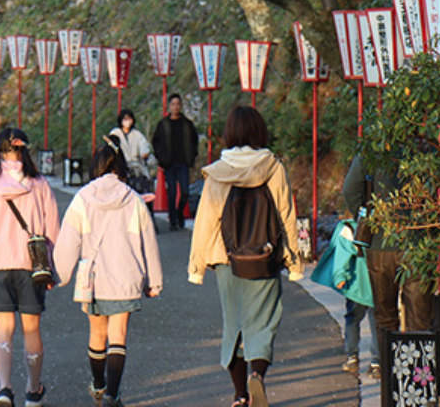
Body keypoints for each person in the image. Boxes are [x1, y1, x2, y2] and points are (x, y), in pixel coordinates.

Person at [187, 105, 301, 407]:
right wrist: (295, 260)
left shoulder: (218, 172)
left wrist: (197, 266)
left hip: (226, 260)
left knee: (233, 323)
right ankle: (258, 377)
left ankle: (239, 395)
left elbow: (206, 220)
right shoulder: (273, 167)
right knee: (263, 322)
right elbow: (286, 213)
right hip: (264, 257)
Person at [54, 141, 163, 407]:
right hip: (126, 276)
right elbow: (149, 241)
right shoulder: (133, 199)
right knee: (119, 335)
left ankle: (99, 385)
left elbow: (68, 241)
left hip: (93, 279)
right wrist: (154, 280)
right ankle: (114, 393)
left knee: (97, 333)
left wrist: (60, 274)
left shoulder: (82, 198)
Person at [0, 128, 60, 407]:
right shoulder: (39, 185)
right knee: (32, 330)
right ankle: (33, 390)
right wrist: (52, 267)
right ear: (24, 151)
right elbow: (53, 229)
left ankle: (4, 388)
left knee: (3, 331)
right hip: (31, 266)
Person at [342, 150, 436, 371]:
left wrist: (368, 217)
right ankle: (419, 381)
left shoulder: (370, 151)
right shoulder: (424, 147)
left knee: (385, 318)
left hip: (380, 244)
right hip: (417, 242)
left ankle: (391, 379)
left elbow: (350, 190)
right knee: (419, 318)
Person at [310, 216, 377, 375]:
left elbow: (342, 255)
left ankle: (352, 356)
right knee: (376, 322)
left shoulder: (350, 227)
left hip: (356, 285)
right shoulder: (382, 223)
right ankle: (377, 362)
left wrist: (340, 277)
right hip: (377, 283)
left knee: (352, 319)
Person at [151, 93, 199, 230]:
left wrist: (192, 156)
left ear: (181, 106)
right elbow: (156, 142)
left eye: (178, 104)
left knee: (185, 191)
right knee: (171, 192)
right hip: (169, 163)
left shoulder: (187, 124)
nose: (176, 107)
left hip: (183, 162)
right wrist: (161, 158)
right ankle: (173, 220)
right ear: (169, 106)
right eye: (173, 104)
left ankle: (179, 214)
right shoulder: (163, 124)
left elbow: (194, 141)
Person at [108, 109, 155, 194]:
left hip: (136, 167)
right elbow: (111, 147)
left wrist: (144, 153)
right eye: (125, 119)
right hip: (120, 167)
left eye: (129, 119)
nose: (127, 121)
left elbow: (144, 146)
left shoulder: (137, 134)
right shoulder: (115, 133)